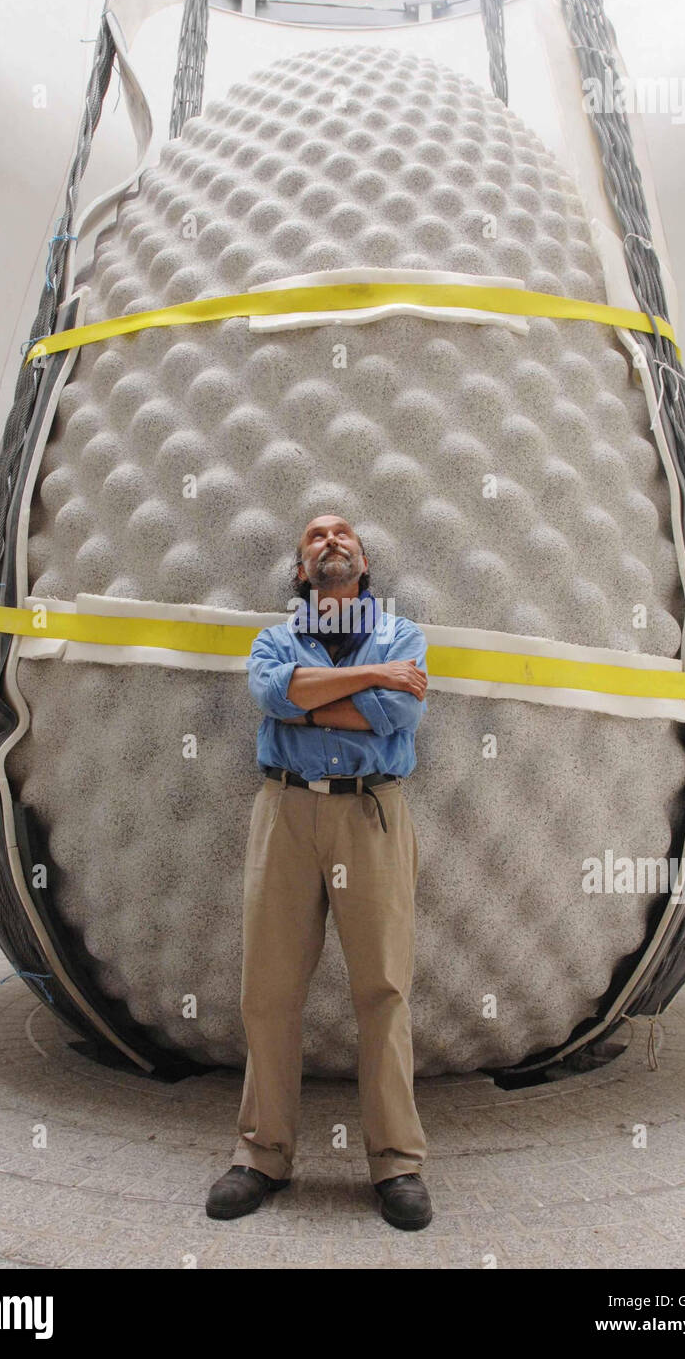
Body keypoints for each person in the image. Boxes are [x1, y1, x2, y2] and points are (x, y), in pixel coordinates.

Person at [205, 513, 432, 1230]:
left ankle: (396, 1162)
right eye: (315, 536)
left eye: (344, 535)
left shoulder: (404, 637)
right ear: (302, 570)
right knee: (268, 990)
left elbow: (396, 713)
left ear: (363, 564)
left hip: (371, 818)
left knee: (385, 990)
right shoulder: (275, 640)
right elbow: (274, 697)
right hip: (286, 814)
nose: (330, 540)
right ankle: (262, 1154)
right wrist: (364, 680)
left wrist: (311, 699)